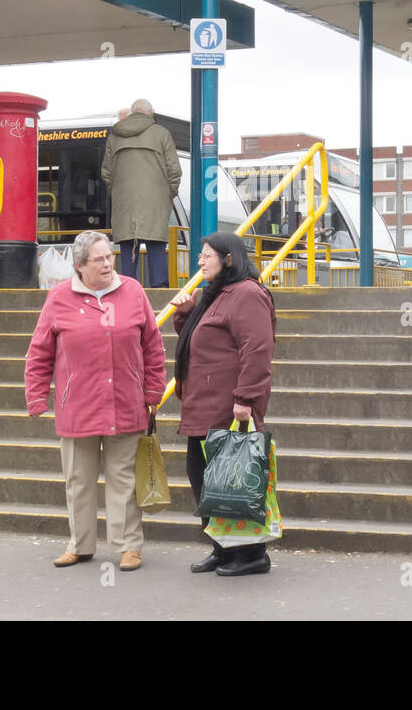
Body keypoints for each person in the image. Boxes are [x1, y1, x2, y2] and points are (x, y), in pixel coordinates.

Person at [24, 231, 166, 572]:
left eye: (110, 257)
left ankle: (129, 546)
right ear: (80, 266)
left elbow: (153, 346)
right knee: (78, 481)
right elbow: (40, 351)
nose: (108, 264)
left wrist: (152, 391)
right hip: (78, 406)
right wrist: (36, 396)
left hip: (126, 403)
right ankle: (80, 544)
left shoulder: (133, 291)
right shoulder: (59, 298)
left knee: (125, 482)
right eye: (99, 259)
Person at [169, 232, 277, 577]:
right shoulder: (214, 295)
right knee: (204, 480)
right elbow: (202, 343)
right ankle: (222, 548)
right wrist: (186, 314)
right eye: (199, 255)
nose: (199, 261)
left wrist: (245, 398)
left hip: (227, 406)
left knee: (234, 480)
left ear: (228, 258)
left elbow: (257, 349)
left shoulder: (246, 294)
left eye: (206, 256)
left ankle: (250, 555)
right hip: (202, 405)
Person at [102, 98, 181, 288]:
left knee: (128, 245)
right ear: (150, 113)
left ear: (132, 113)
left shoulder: (115, 136)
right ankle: (159, 291)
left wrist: (118, 194)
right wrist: (168, 195)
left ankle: (125, 289)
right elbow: (174, 170)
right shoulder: (161, 134)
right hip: (156, 201)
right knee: (156, 245)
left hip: (124, 202)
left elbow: (106, 173)